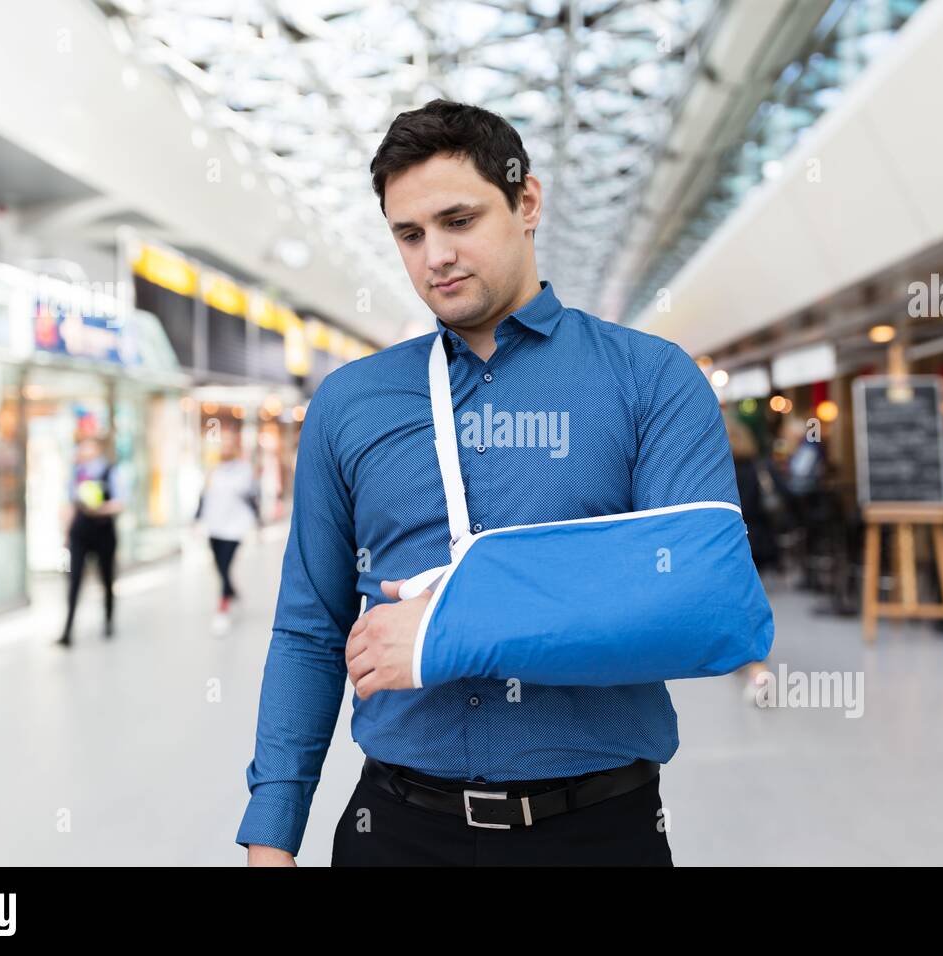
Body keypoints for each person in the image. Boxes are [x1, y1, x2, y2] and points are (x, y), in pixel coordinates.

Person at [236, 99, 770, 866]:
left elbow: (706, 607)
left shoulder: (650, 381)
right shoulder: (351, 404)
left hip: (597, 830)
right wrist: (272, 830)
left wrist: (457, 625)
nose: (435, 257)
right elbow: (310, 627)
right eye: (409, 235)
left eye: (459, 220)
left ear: (526, 202)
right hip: (395, 828)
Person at [57, 435, 123, 647]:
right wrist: (65, 535)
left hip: (103, 531)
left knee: (106, 578)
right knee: (74, 580)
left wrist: (100, 509)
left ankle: (108, 620)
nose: (84, 451)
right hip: (80, 531)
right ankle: (68, 629)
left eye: (88, 446)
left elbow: (120, 503)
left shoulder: (110, 472)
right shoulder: (77, 473)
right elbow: (69, 504)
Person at [197, 432, 260, 634]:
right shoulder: (213, 470)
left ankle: (222, 610)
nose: (224, 449)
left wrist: (258, 522)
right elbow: (204, 496)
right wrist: (196, 519)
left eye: (228, 445)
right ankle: (232, 592)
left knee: (224, 566)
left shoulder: (244, 470)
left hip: (235, 527)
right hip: (214, 525)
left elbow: (251, 497)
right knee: (218, 566)